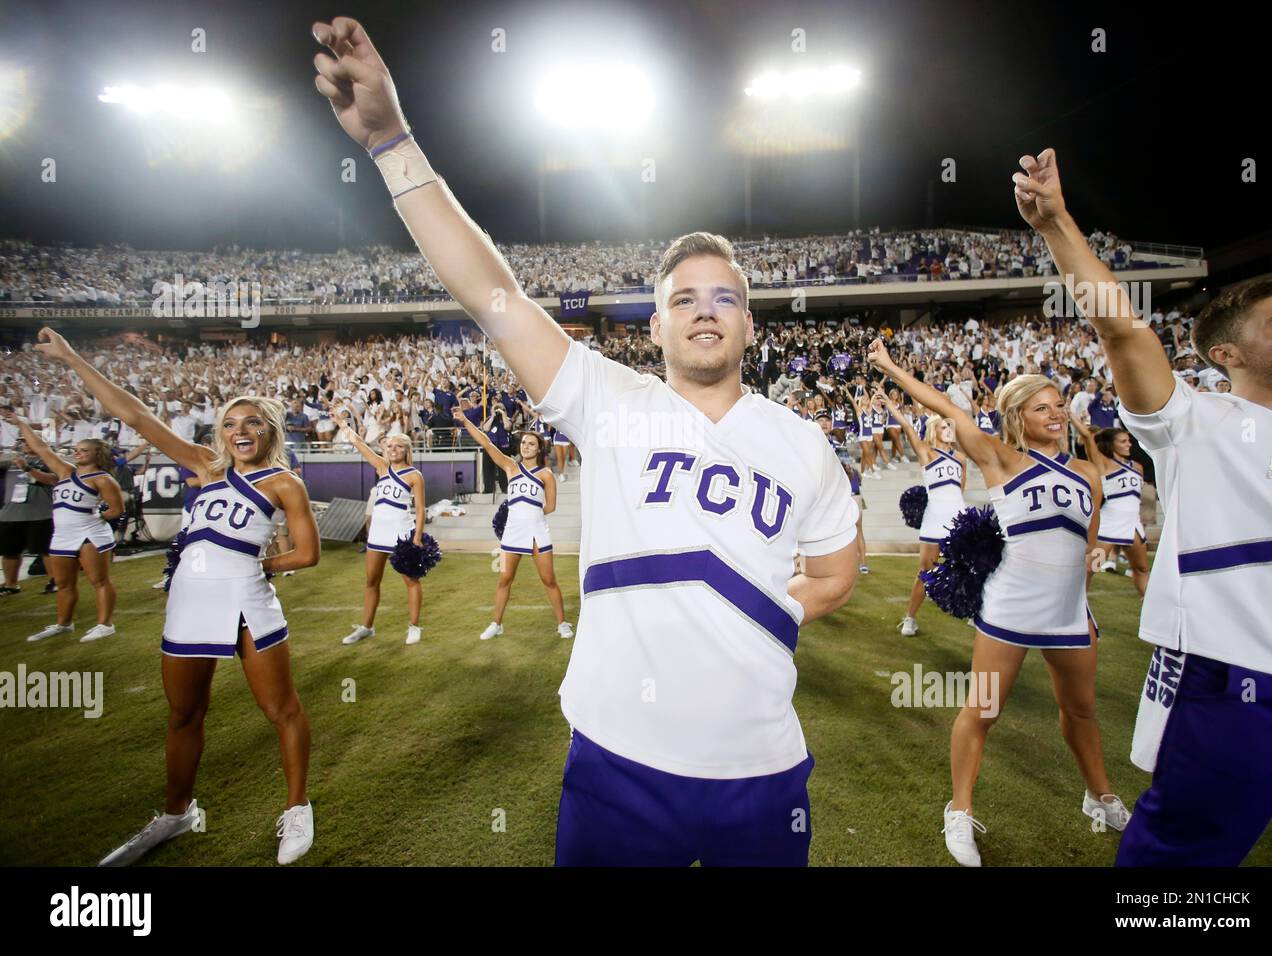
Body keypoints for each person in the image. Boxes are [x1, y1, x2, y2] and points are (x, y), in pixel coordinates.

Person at [312, 16, 860, 866]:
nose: (705, 309)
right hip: (617, 762)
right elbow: (490, 292)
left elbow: (835, 570)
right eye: (684, 298)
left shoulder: (804, 444)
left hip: (765, 771)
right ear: (658, 326)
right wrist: (390, 141)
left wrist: (761, 615)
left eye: (724, 297)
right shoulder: (609, 398)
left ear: (750, 323)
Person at [1013, 147, 1272, 866]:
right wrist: (1058, 226)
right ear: (1227, 355)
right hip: (1243, 678)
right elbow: (1121, 329)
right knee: (1183, 859)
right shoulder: (1191, 420)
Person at [31, 328, 321, 866]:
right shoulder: (206, 467)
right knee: (184, 714)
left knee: (280, 708)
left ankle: (298, 805)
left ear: (269, 431)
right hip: (188, 601)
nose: (240, 430)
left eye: (252, 421)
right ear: (220, 434)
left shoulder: (285, 483)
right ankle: (176, 813)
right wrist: (73, 357)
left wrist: (258, 565)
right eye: (230, 423)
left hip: (248, 602)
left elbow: (307, 553)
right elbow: (138, 416)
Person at [867, 338, 1130, 867]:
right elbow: (946, 407)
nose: (1055, 414)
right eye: (1042, 407)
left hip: (1068, 614)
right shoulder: (999, 458)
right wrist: (890, 367)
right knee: (983, 709)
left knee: (1080, 710)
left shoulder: (1088, 475)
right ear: (1017, 416)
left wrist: (1086, 601)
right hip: (1010, 608)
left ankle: (1099, 796)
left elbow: (1087, 548)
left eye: (1059, 405)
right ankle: (959, 810)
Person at [452, 405, 572, 641]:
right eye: (524, 443)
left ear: (539, 449)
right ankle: (496, 623)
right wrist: (466, 422)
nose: (526, 446)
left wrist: (532, 515)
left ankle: (562, 623)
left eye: (531, 444)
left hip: (537, 532)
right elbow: (487, 443)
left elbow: (551, 506)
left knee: (549, 579)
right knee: (505, 579)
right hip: (513, 533)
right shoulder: (510, 467)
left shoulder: (545, 474)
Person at [2, 411, 122, 643]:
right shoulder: (65, 471)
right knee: (63, 583)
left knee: (99, 581)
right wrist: (21, 423)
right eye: (77, 449)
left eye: (84, 450)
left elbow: (116, 510)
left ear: (98, 454)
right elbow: (42, 447)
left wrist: (97, 516)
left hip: (90, 533)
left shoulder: (103, 479)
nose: (77, 452)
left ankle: (105, 624)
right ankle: (63, 623)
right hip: (63, 534)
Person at [875, 386, 968, 637]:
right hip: (935, 518)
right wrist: (889, 403)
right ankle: (910, 618)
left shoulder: (960, 458)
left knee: (970, 567)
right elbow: (906, 425)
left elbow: (961, 488)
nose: (949, 431)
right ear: (934, 431)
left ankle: (974, 612)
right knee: (926, 572)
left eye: (950, 427)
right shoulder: (926, 453)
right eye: (944, 427)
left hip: (958, 517)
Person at [332, 408, 427, 646]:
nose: (393, 450)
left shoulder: (414, 475)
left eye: (399, 446)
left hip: (401, 534)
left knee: (411, 581)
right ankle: (367, 627)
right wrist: (342, 424)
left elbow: (421, 509)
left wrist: (416, 537)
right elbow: (359, 443)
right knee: (371, 581)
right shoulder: (381, 468)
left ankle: (414, 627)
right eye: (390, 446)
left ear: (407, 450)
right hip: (377, 535)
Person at [1070, 417, 1149, 595]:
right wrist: (1070, 415)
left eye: (1128, 441)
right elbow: (1087, 437)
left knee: (1142, 568)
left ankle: (1151, 612)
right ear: (1111, 444)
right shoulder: (1103, 464)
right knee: (1090, 568)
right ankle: (1078, 612)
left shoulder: (1137, 467)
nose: (1128, 444)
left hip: (1133, 525)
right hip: (1109, 526)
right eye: (1123, 441)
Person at [0, 437, 55, 597]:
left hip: (40, 512)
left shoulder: (50, 460)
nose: (26, 444)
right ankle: (11, 584)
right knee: (9, 550)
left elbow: (52, 479)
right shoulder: (9, 461)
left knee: (46, 550)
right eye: (24, 442)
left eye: (30, 441)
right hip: (10, 513)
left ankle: (55, 581)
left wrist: (27, 468)